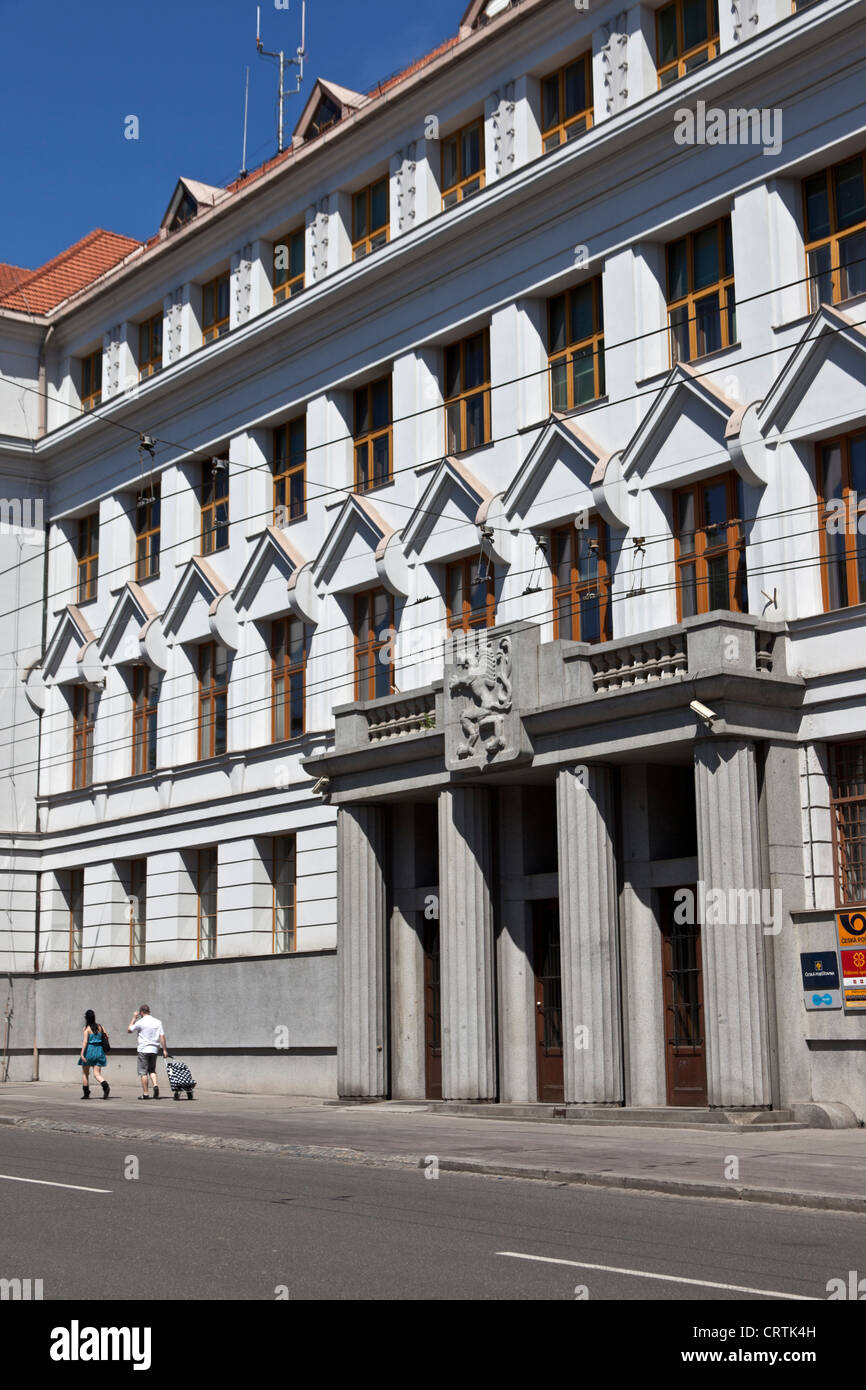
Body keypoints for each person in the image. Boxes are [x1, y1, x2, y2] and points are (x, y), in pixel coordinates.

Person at [127, 1004, 168, 1100]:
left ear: (141, 1012)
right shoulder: (158, 1022)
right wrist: (165, 1050)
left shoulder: (140, 1022)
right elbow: (162, 1036)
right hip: (154, 1050)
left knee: (143, 1072)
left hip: (143, 1049)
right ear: (149, 1011)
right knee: (152, 1070)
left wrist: (134, 1018)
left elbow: (129, 1030)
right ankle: (155, 1085)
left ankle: (145, 1094)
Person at [78, 1009, 109, 1099]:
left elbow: (85, 1042)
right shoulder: (101, 1027)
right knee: (97, 1074)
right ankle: (105, 1086)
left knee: (85, 1073)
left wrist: (82, 1054)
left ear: (86, 1018)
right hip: (99, 1050)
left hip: (89, 1051)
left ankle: (86, 1093)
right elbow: (106, 1036)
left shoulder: (86, 1029)